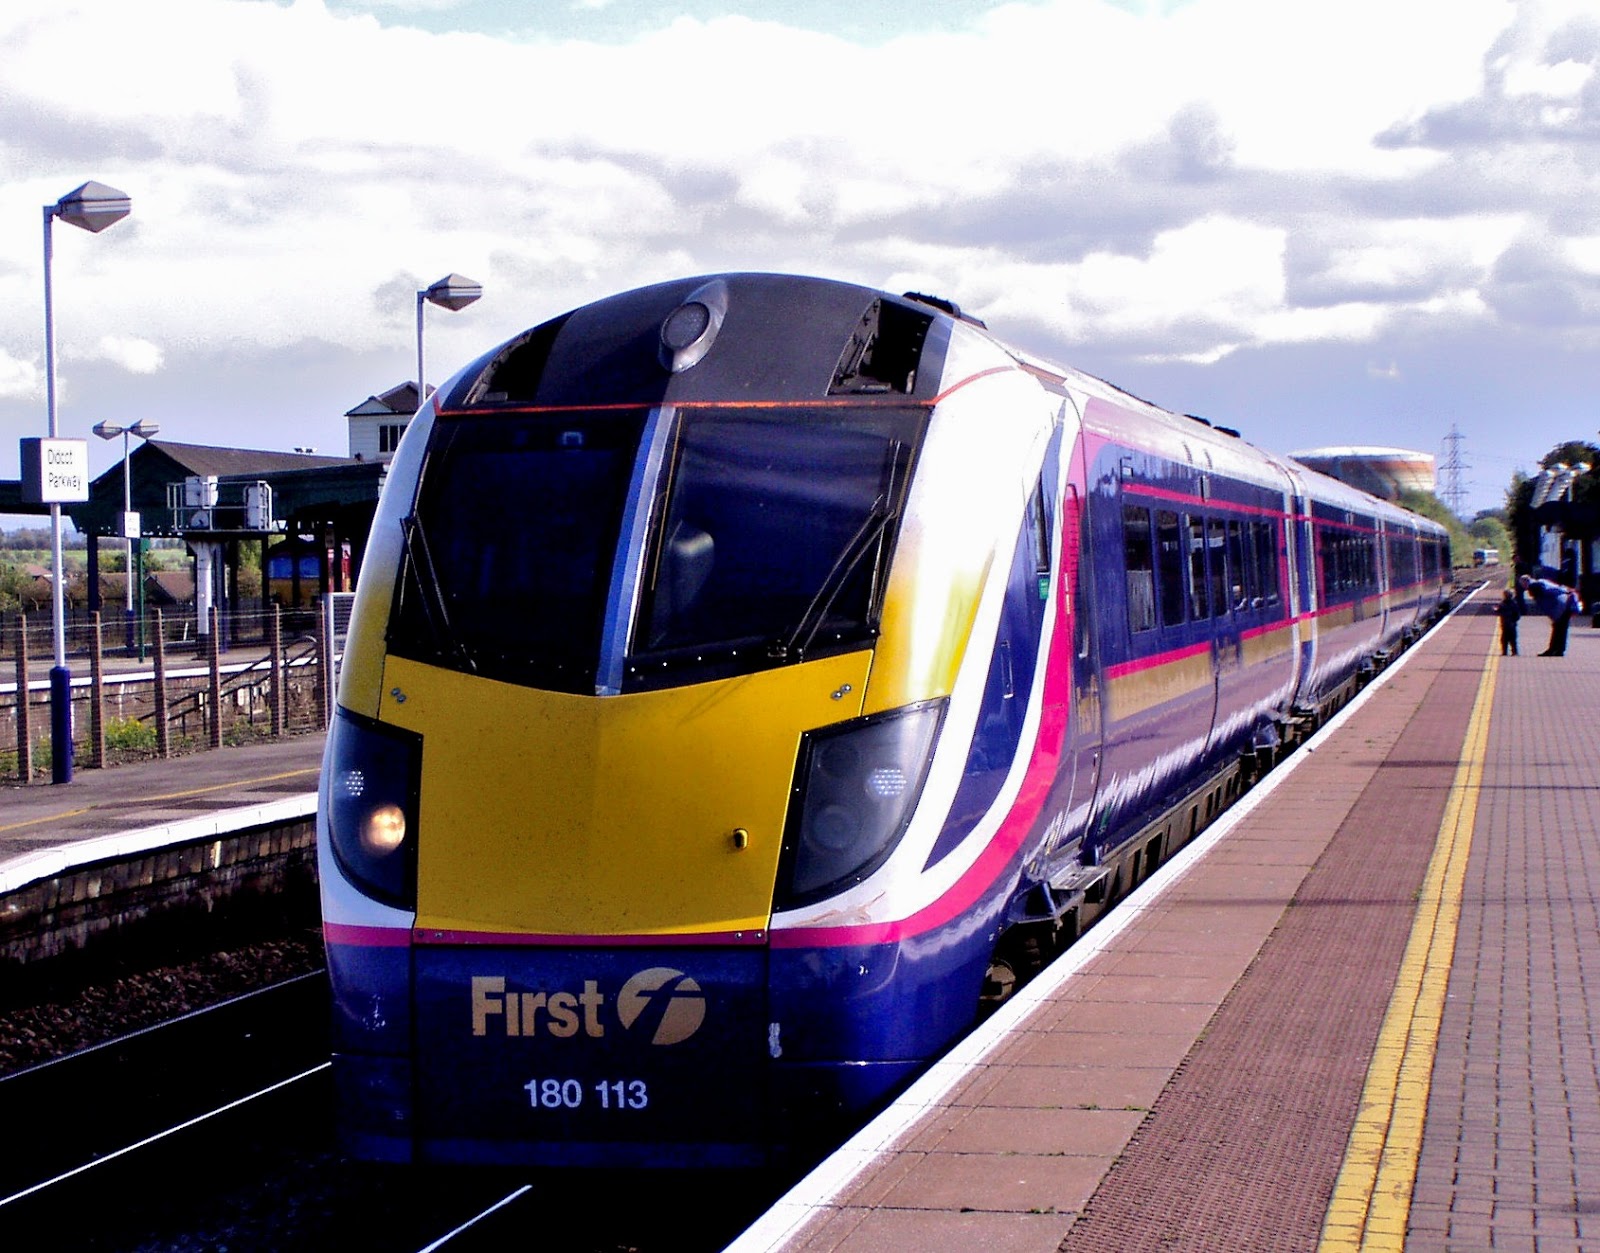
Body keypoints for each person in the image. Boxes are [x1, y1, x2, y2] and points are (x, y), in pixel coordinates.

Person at [1519, 574, 1580, 656]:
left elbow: (1548, 594)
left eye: (1522, 584)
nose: (1522, 586)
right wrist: (1565, 590)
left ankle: (1556, 650)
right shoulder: (1540, 582)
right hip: (1564, 604)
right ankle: (1557, 650)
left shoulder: (1536, 586)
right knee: (1560, 629)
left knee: (1560, 629)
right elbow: (1553, 589)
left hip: (1560, 607)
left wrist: (1565, 591)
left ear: (1526, 582)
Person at [1495, 587, 1521, 656]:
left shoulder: (1502, 604)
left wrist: (1496, 610)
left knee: (1504, 639)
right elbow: (1517, 615)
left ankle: (1504, 651)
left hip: (1505, 624)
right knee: (1513, 639)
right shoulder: (1514, 604)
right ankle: (1514, 652)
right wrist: (1514, 620)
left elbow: (1499, 611)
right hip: (1512, 624)